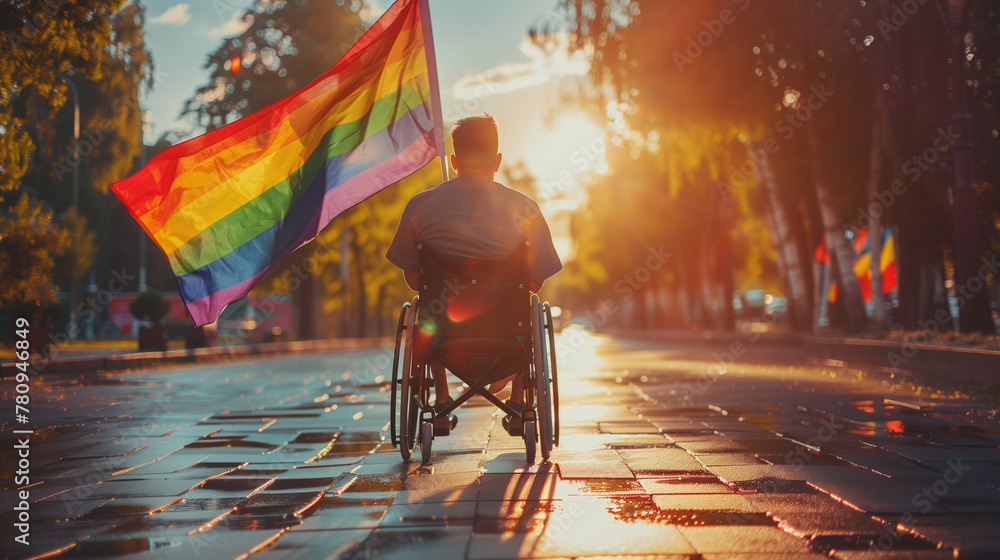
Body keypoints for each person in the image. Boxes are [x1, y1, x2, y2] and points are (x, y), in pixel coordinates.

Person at [386, 114, 562, 433]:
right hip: (509, 332)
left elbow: (414, 281)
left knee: (427, 310)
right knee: (527, 305)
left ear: (454, 161)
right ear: (497, 161)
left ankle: (441, 400)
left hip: (445, 335)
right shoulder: (526, 209)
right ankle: (519, 403)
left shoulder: (418, 207)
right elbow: (535, 282)